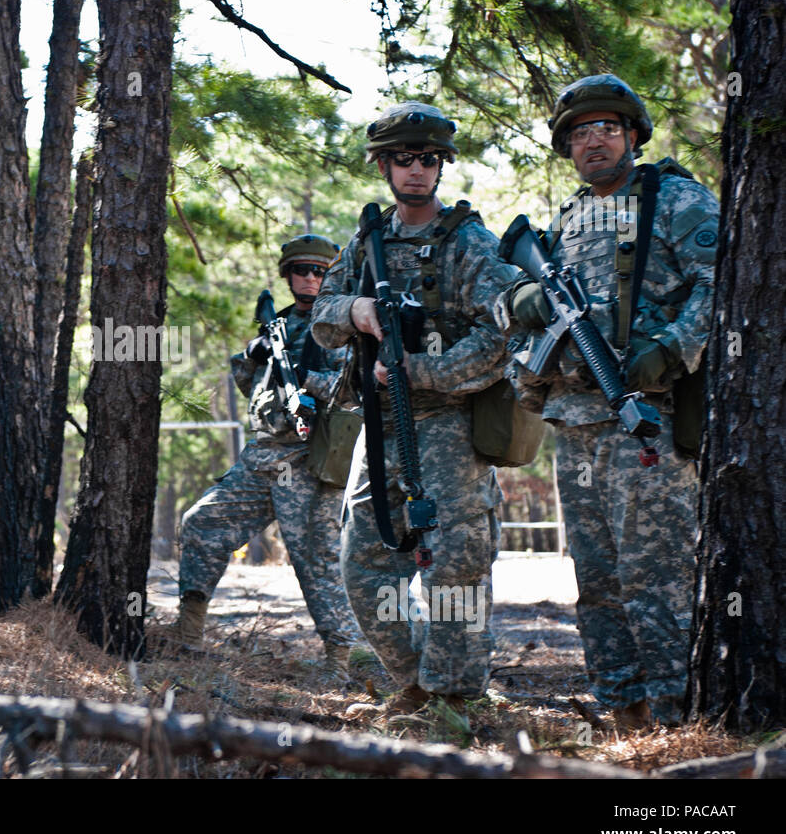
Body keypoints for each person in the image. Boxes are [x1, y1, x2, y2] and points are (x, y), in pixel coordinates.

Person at [496, 74, 717, 729]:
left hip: (642, 419)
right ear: (568, 146)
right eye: (581, 132)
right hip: (576, 422)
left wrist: (672, 349)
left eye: (607, 128)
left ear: (632, 135)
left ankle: (683, 724)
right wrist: (524, 307)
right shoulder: (567, 217)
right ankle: (625, 718)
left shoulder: (674, 199)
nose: (594, 140)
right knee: (595, 581)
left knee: (659, 576)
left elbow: (723, 284)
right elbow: (524, 308)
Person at [310, 102, 515, 716]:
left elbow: (500, 336)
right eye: (404, 159)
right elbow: (322, 320)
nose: (418, 170)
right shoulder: (366, 240)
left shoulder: (471, 244)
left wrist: (417, 370)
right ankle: (414, 682)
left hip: (449, 422)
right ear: (384, 166)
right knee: (363, 562)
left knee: (455, 567)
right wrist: (355, 312)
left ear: (441, 166)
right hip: (380, 425)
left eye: (428, 159)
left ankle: (457, 700)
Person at [163, 234, 361, 682]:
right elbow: (249, 386)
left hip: (311, 459)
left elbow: (353, 389)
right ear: (287, 275)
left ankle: (341, 661)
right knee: (201, 524)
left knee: (318, 559)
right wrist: (254, 356)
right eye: (300, 271)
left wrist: (304, 379)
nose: (310, 279)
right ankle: (188, 635)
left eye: (319, 271)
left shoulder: (343, 325)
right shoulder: (279, 324)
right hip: (263, 455)